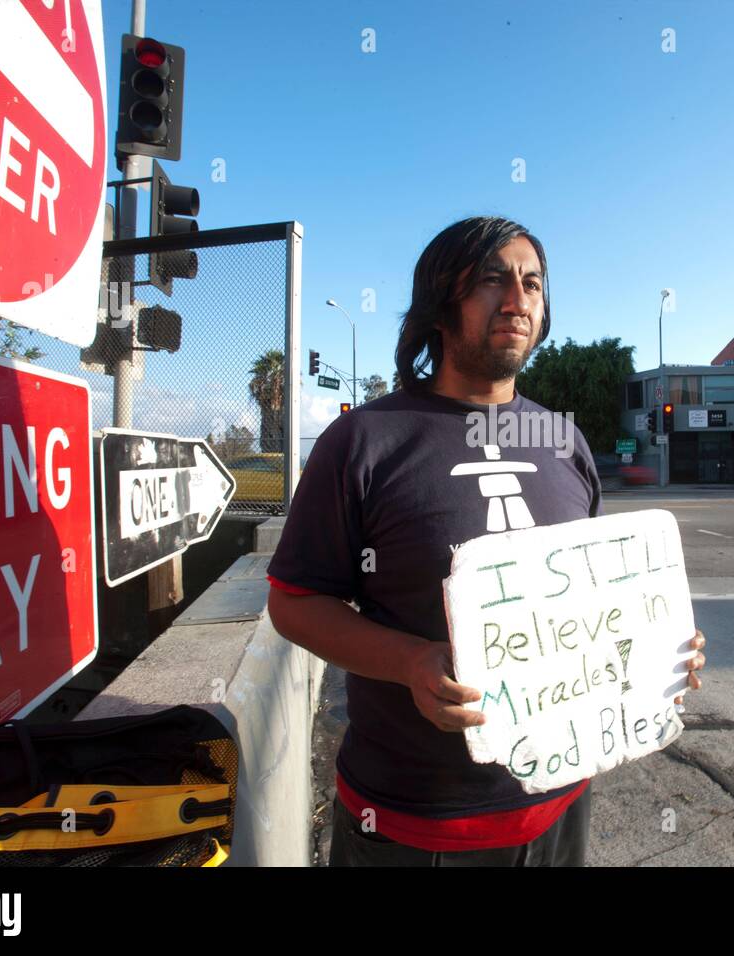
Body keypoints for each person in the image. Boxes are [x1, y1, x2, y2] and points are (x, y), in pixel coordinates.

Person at [266, 216, 706, 866]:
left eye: (532, 283)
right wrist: (410, 661)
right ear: (442, 303)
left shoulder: (565, 442)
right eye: (493, 280)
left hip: (561, 804)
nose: (518, 298)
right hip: (411, 827)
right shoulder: (362, 442)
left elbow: (593, 605)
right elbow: (295, 603)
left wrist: (656, 649)